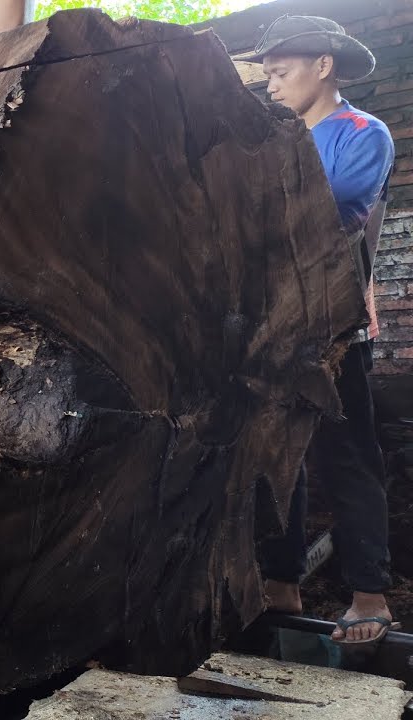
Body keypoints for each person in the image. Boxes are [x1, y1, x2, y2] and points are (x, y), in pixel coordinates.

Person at [238, 16, 396, 645]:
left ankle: (370, 596)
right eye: (266, 74)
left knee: (348, 455)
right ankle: (281, 583)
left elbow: (322, 211)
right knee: (278, 460)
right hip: (269, 328)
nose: (270, 84)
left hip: (331, 330)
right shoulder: (270, 138)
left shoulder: (362, 133)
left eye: (280, 72)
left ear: (322, 65)